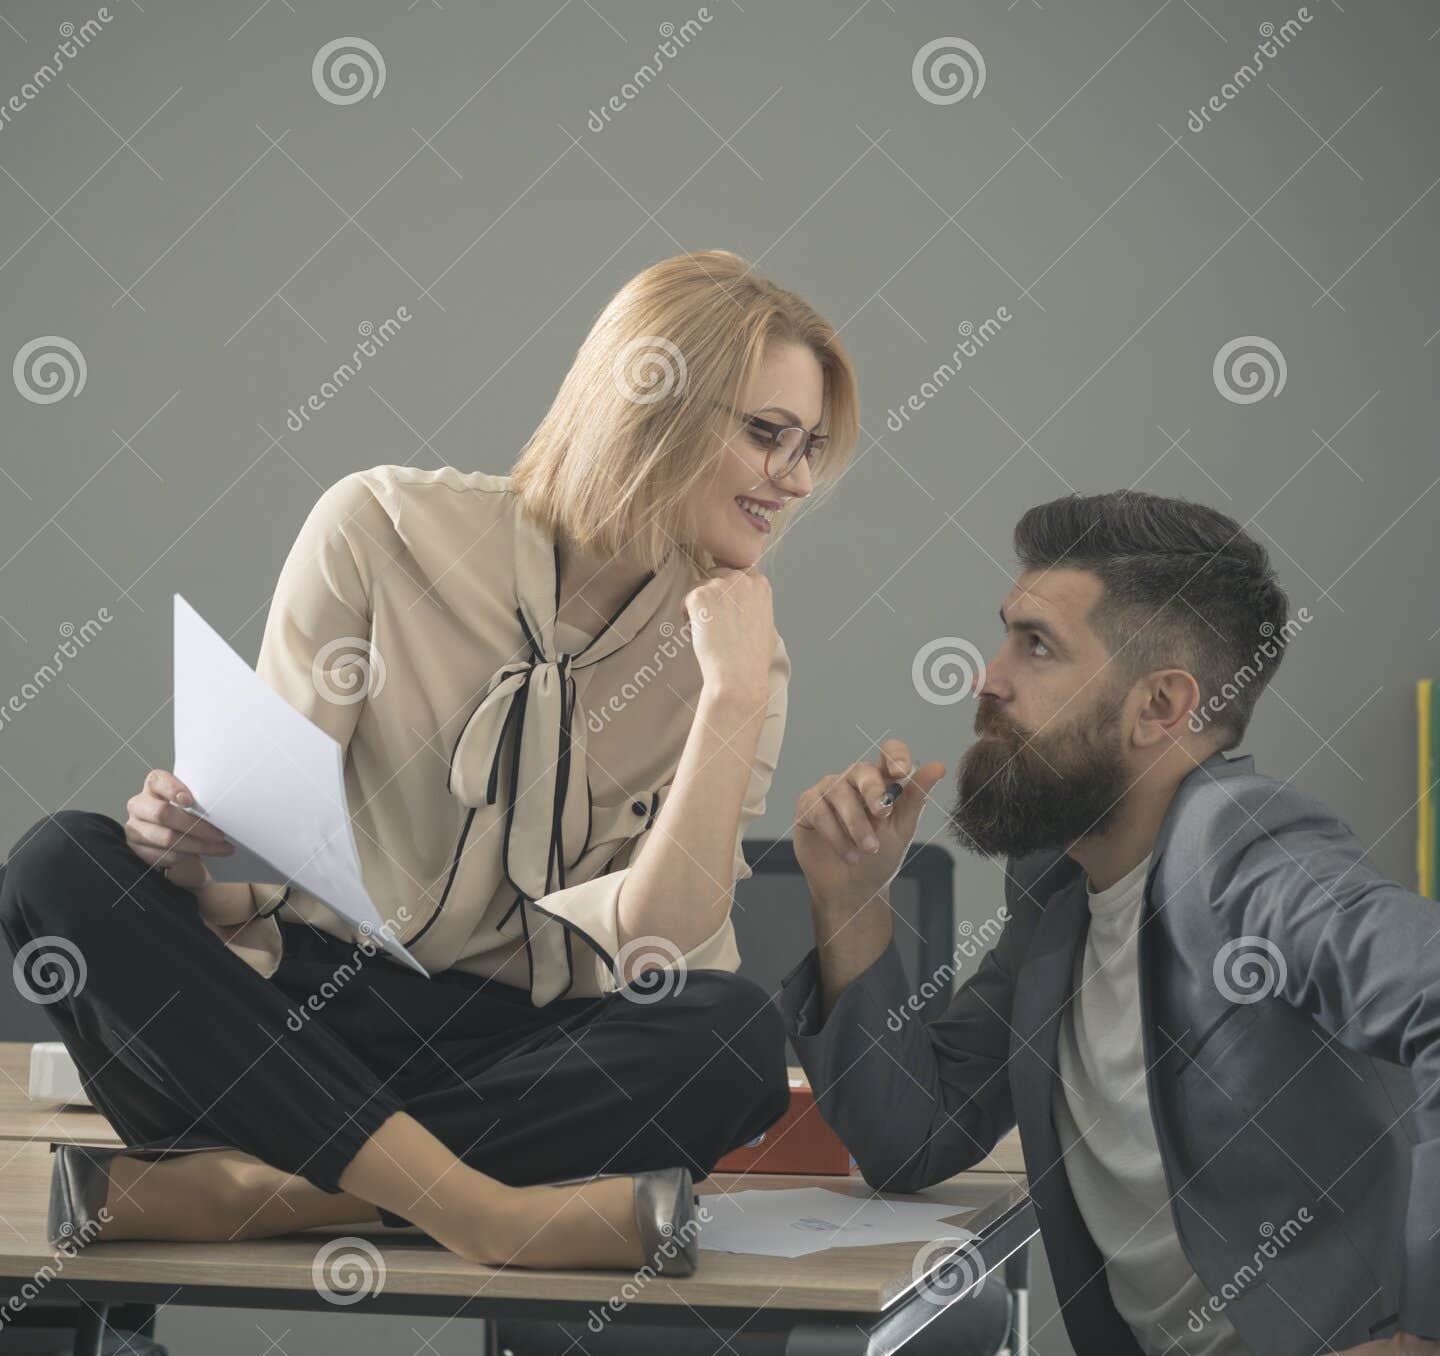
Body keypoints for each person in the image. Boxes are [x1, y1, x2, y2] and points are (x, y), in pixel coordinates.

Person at [698, 488, 1440, 1356]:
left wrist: (1436, 1349)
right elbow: (910, 1135)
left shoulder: (1245, 855)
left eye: (1035, 646)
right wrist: (851, 909)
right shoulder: (1065, 885)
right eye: (1002, 636)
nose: (988, 678)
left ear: (1159, 705)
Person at [0, 250, 859, 1276]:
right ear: (648, 404)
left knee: (728, 1038)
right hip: (294, 1028)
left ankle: (253, 1193)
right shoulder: (381, 528)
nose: (796, 479)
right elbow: (256, 875)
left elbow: (661, 943)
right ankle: (481, 1213)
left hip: (522, 1051)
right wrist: (193, 862)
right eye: (767, 434)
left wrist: (728, 696)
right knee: (62, 863)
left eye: (809, 446)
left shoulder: (738, 651)